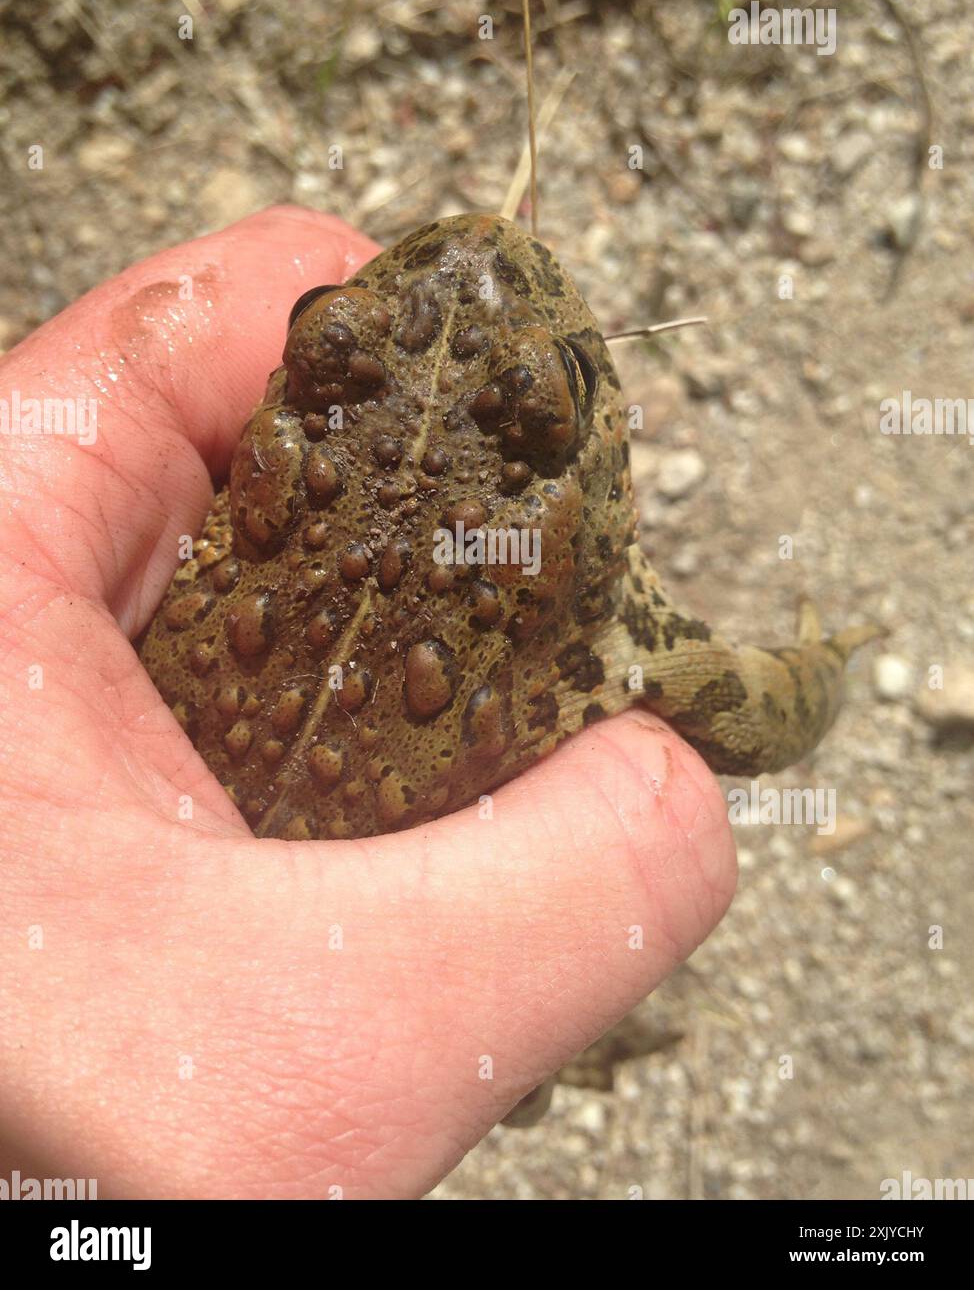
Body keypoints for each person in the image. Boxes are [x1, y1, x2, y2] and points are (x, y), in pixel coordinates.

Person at [0, 206, 736, 1198]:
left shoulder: (186, 527)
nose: (475, 248)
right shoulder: (600, 626)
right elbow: (760, 715)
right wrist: (828, 668)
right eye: (327, 332)